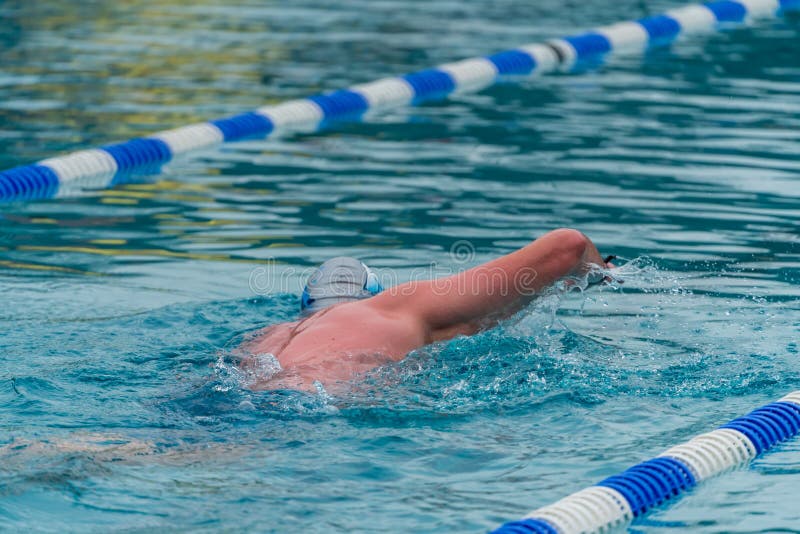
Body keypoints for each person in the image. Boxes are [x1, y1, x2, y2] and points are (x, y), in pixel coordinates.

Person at [244, 228, 614, 392]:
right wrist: (596, 274)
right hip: (317, 404)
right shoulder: (395, 308)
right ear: (373, 293)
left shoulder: (268, 339)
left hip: (252, 400)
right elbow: (568, 245)